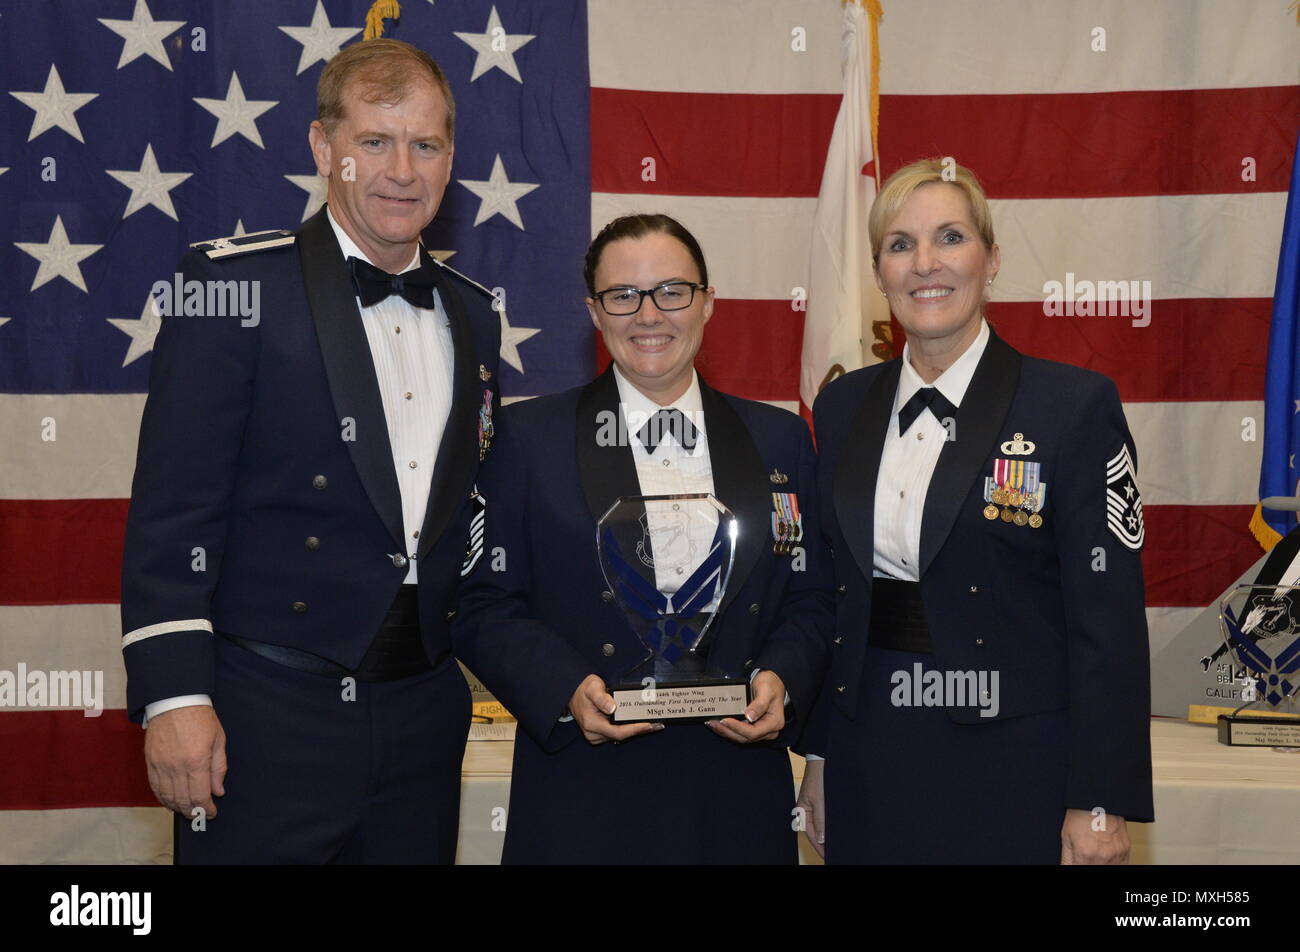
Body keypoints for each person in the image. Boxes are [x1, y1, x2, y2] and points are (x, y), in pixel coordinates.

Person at [120, 38, 501, 864]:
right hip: (263, 712)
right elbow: (172, 510)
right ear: (324, 148)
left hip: (424, 711)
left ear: (450, 160)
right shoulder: (233, 288)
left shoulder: (476, 315)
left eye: (426, 144)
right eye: (375, 141)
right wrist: (174, 695)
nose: (402, 168)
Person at [795, 158, 1154, 864]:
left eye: (950, 237)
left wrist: (1100, 797)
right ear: (878, 272)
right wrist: (821, 755)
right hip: (870, 754)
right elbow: (835, 596)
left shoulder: (1072, 408)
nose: (925, 264)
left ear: (991, 260)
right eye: (900, 245)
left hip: (1018, 762)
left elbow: (1106, 620)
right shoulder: (843, 406)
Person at [452, 214, 834, 864]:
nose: (648, 314)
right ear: (594, 312)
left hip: (735, 796)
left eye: (672, 291)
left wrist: (783, 676)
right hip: (582, 790)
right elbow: (480, 601)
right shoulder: (528, 439)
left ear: (708, 301)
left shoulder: (781, 440)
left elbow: (815, 597)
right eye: (623, 295)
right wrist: (566, 687)